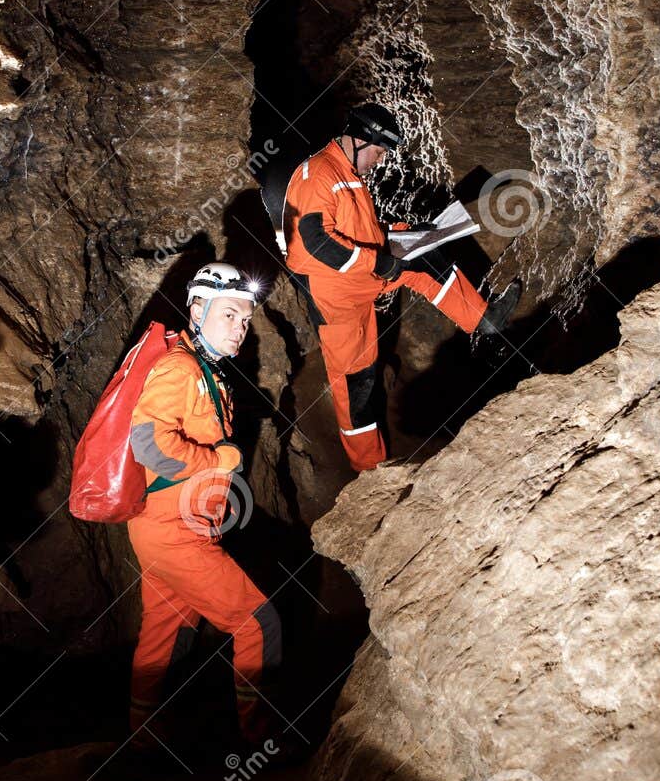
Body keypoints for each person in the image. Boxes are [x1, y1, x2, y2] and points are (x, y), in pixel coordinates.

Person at [280, 103, 520, 471]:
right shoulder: (319, 175)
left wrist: (389, 234)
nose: (379, 160)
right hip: (334, 290)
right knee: (356, 383)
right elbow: (316, 241)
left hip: (351, 279)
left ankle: (483, 323)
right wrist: (378, 261)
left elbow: (350, 226)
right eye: (377, 152)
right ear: (360, 140)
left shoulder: (344, 171)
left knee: (421, 255)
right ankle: (370, 470)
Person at [125, 263, 280, 748]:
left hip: (175, 525)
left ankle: (146, 743)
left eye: (245, 321)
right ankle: (263, 743)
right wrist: (218, 458)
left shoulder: (205, 371)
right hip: (173, 531)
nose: (239, 329)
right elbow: (148, 445)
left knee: (167, 637)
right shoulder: (180, 368)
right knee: (257, 622)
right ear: (198, 309)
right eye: (230, 315)